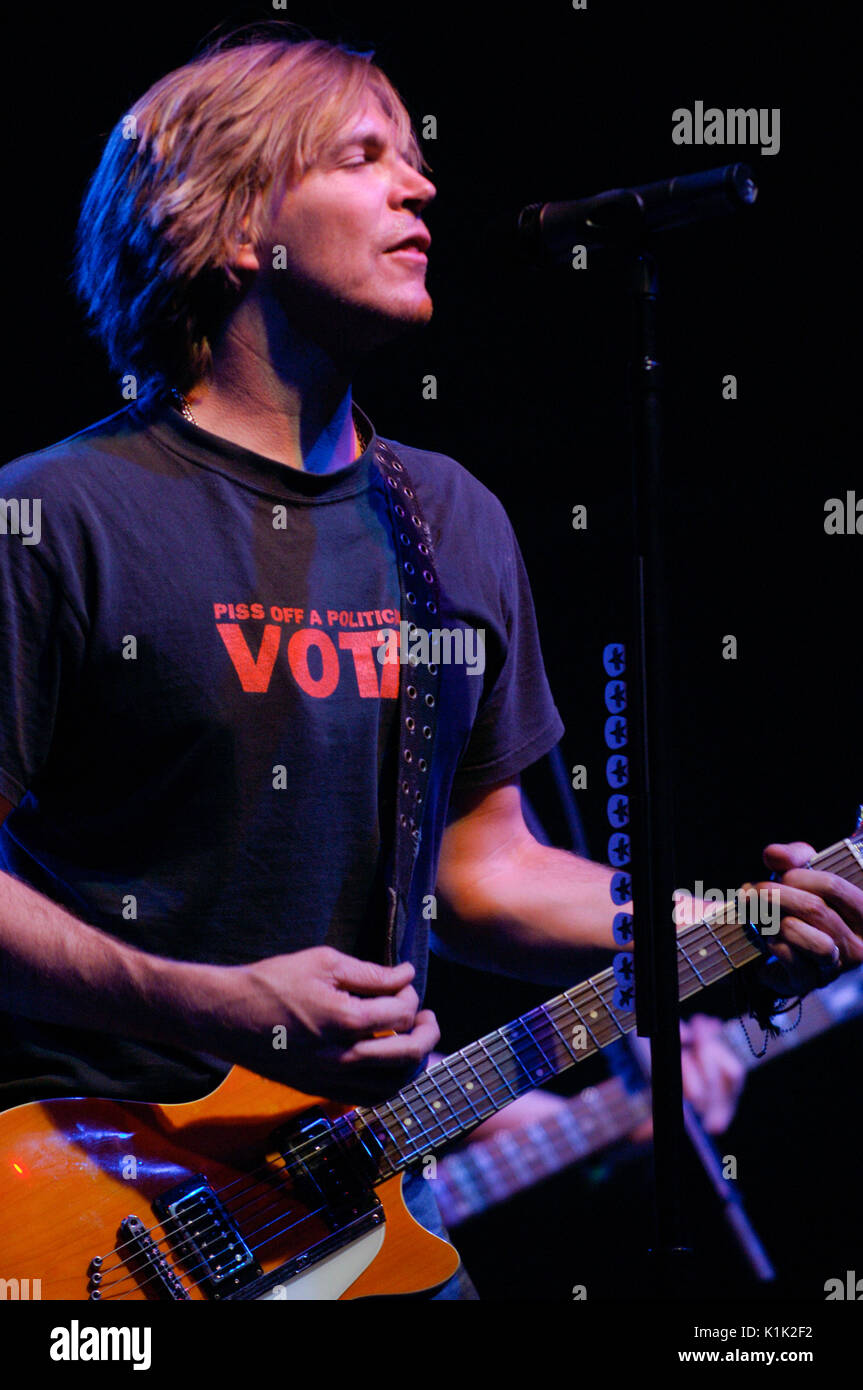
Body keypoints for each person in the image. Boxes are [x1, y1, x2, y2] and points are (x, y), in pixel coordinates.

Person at [0, 26, 861, 1301]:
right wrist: (208, 1004)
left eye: (415, 157)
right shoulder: (56, 515)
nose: (421, 186)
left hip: (350, 1213)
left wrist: (729, 924)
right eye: (364, 156)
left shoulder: (447, 520)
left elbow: (484, 873)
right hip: (93, 1218)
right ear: (239, 226)